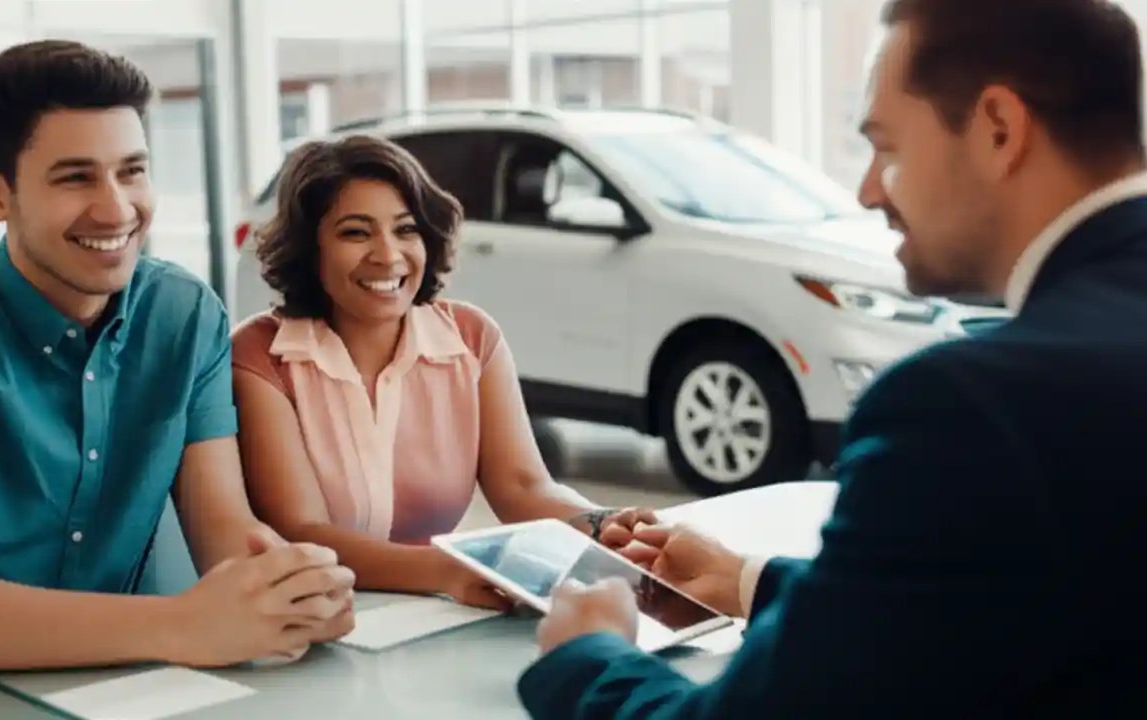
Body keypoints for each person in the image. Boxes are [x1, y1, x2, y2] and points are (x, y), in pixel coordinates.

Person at [516, 0, 1147, 716]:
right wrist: (751, 582)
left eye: (889, 148)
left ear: (998, 128)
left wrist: (586, 655)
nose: (868, 189)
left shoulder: (969, 406)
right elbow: (1048, 592)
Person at [0, 40, 355, 672]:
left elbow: (226, 537)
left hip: (126, 687)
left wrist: (293, 593)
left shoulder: (184, 314)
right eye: (76, 177)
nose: (117, 208)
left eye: (132, 170)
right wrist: (180, 626)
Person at [230, 135, 657, 610]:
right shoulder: (260, 355)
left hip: (433, 614)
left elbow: (524, 488)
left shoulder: (472, 339)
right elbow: (301, 530)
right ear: (310, 249)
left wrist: (601, 523)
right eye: (355, 232)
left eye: (406, 230)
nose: (388, 255)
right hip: (307, 616)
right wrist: (447, 570)